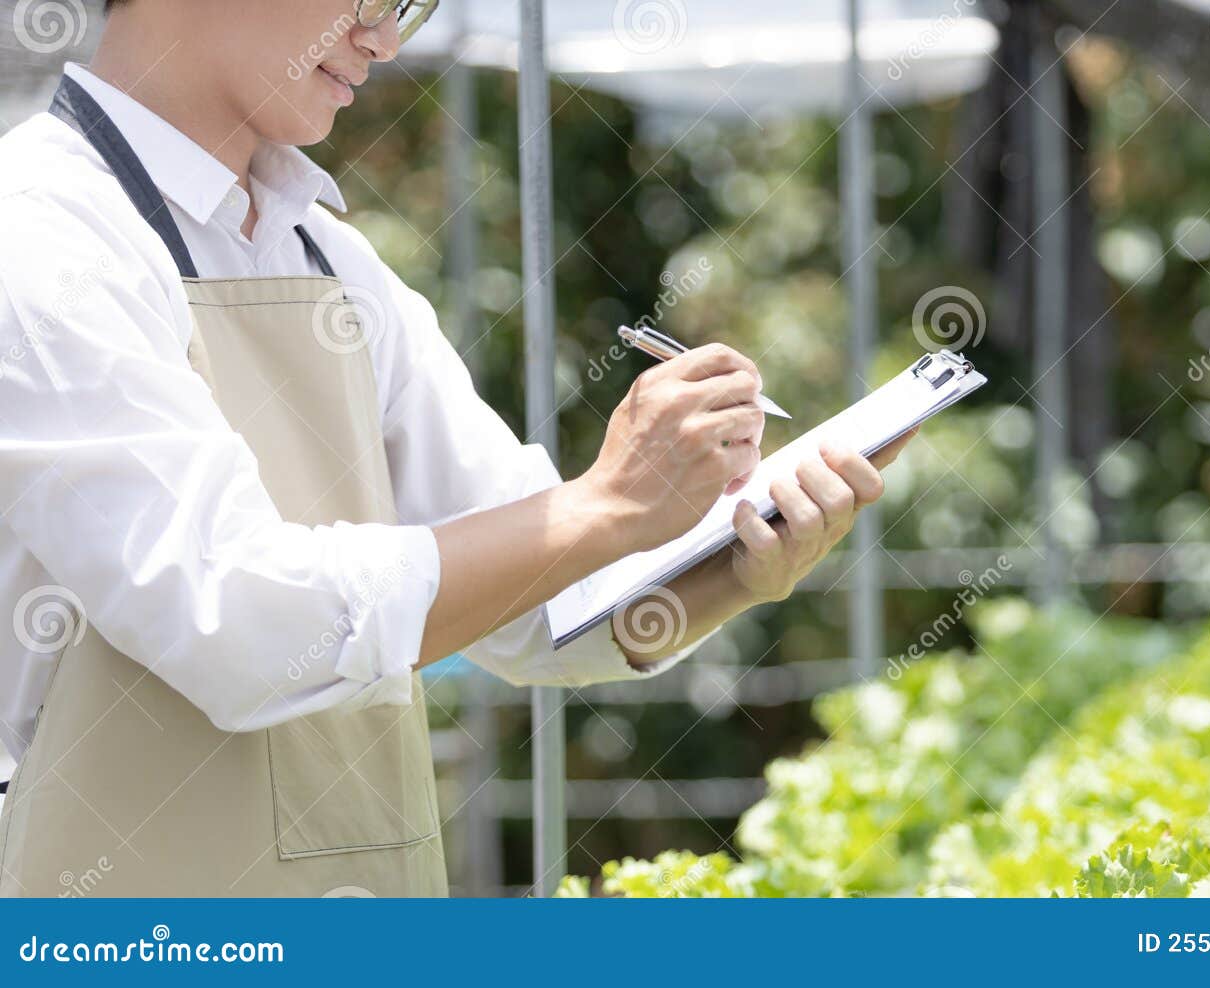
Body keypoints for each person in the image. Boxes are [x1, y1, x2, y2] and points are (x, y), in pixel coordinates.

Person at [0, 0, 914, 896]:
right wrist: (606, 506)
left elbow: (541, 605)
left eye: (411, 4)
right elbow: (233, 618)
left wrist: (737, 561)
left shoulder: (330, 259)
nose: (386, 36)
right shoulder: (40, 232)